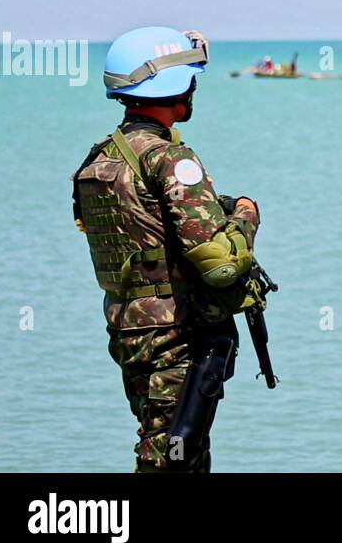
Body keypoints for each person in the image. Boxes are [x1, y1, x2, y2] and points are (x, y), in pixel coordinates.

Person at [72, 26, 261, 472]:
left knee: (173, 442)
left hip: (128, 327)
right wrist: (247, 215)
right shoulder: (168, 159)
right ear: (174, 87)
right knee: (171, 452)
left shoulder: (99, 160)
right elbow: (220, 268)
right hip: (175, 332)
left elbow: (127, 233)